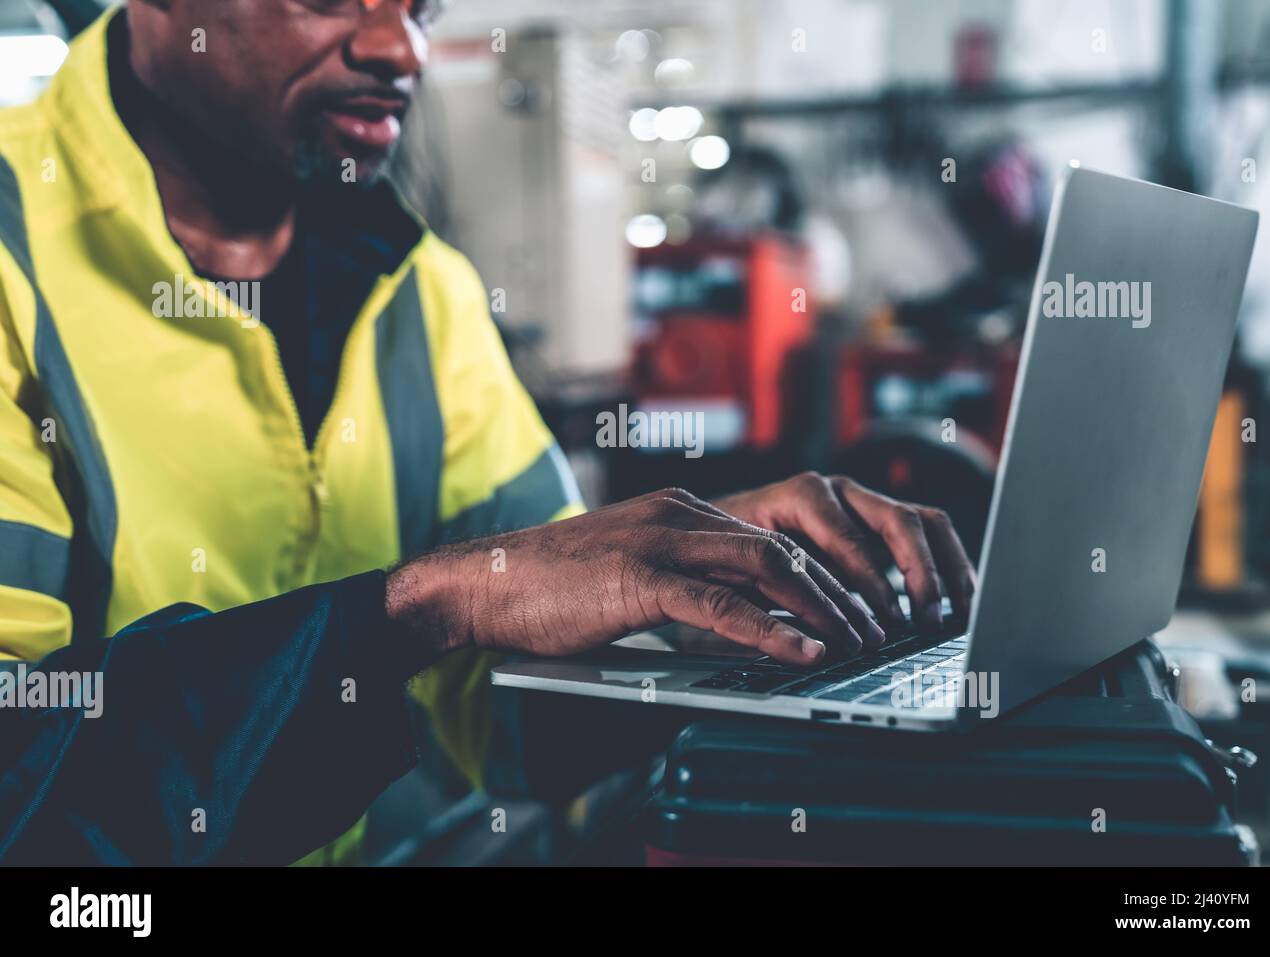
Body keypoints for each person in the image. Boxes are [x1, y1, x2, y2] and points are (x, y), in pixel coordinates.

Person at [0, 0, 974, 864]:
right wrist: (422, 607)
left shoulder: (421, 291)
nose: (400, 46)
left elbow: (511, 726)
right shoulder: (14, 261)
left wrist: (732, 624)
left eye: (421, 4)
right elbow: (22, 778)